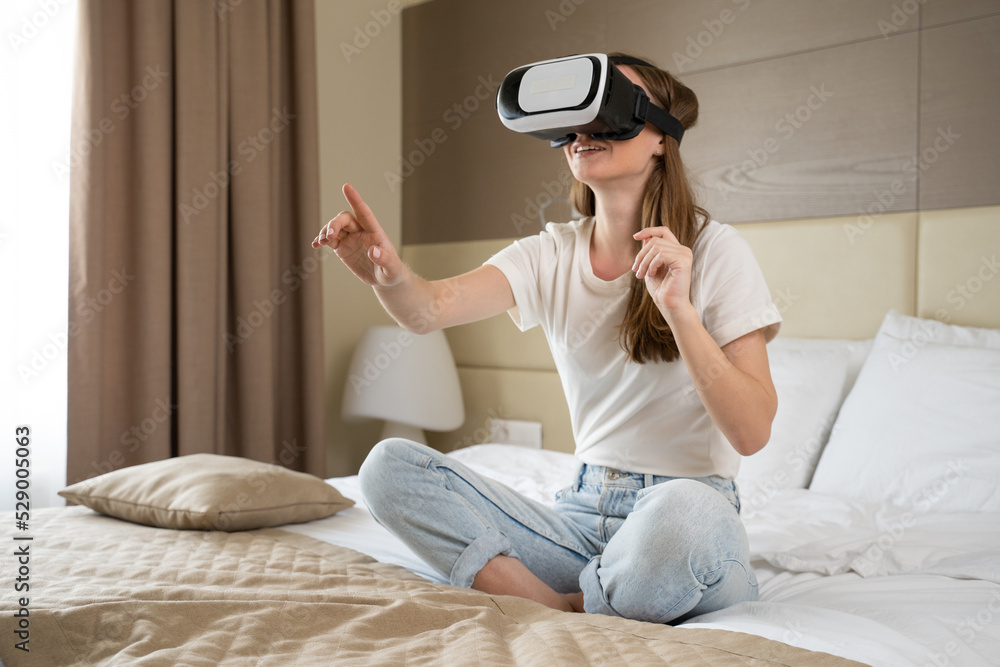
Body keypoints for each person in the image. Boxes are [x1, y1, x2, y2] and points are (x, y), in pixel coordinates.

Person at [311, 53, 782, 624]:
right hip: (581, 519)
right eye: (574, 119)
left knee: (688, 514)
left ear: (661, 137)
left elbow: (752, 431)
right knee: (388, 467)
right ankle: (559, 607)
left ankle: (581, 604)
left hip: (686, 519)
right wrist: (386, 272)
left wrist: (679, 309)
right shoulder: (551, 252)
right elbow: (428, 309)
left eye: (606, 110)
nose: (583, 131)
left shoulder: (716, 251)